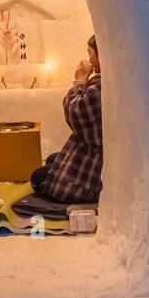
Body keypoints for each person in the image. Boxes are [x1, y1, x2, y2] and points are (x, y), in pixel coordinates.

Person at [29, 34, 103, 205]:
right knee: (52, 160)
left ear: (100, 55)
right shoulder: (104, 81)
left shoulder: (102, 87)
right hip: (92, 151)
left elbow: (76, 114)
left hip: (95, 160)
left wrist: (80, 79)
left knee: (37, 177)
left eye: (90, 52)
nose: (88, 57)